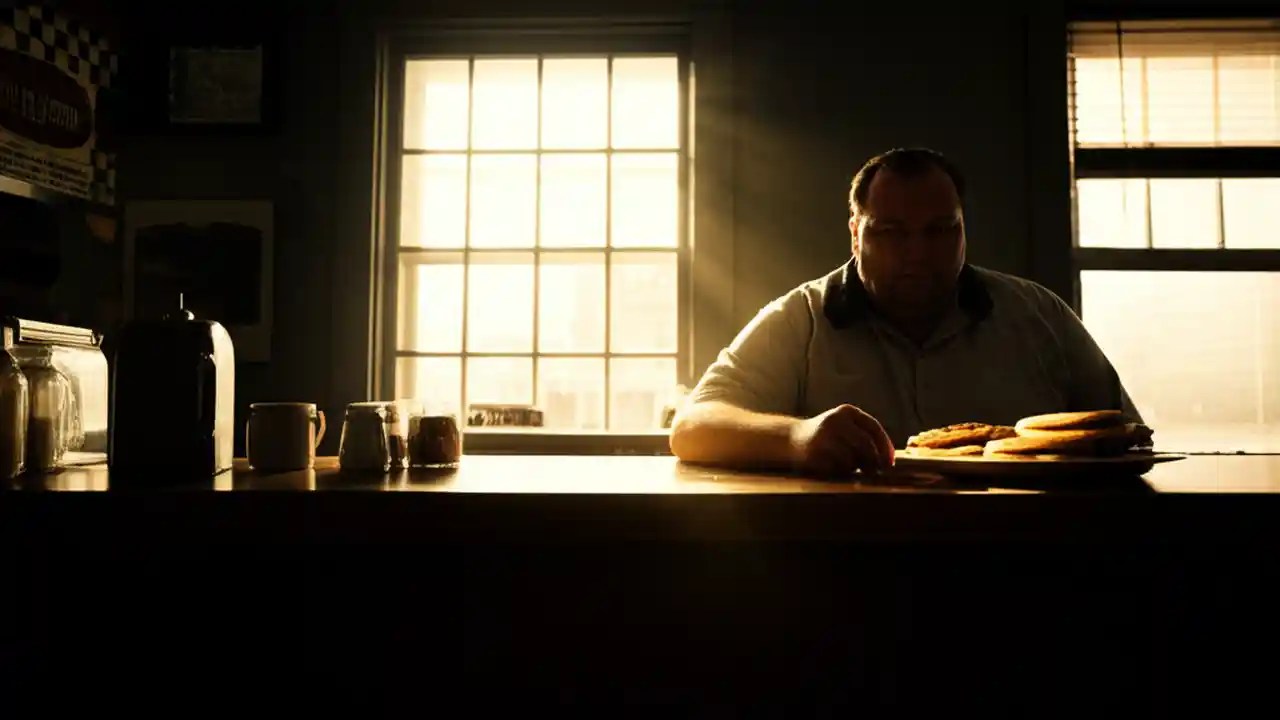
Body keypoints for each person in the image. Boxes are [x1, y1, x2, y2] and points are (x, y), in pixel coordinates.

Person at [669, 147, 1140, 475]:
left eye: (940, 231)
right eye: (890, 232)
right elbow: (692, 427)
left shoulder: (1040, 315)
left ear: (964, 229)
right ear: (855, 233)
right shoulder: (802, 318)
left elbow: (1128, 436)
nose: (917, 253)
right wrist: (797, 439)